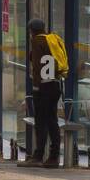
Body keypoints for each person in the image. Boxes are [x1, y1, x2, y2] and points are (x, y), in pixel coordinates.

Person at [27, 18, 65, 168]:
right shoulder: (52, 40)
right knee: (52, 121)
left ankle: (38, 156)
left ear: (32, 31)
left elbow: (37, 68)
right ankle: (54, 156)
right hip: (55, 85)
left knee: (41, 122)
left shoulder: (37, 42)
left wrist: (36, 88)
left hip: (43, 87)